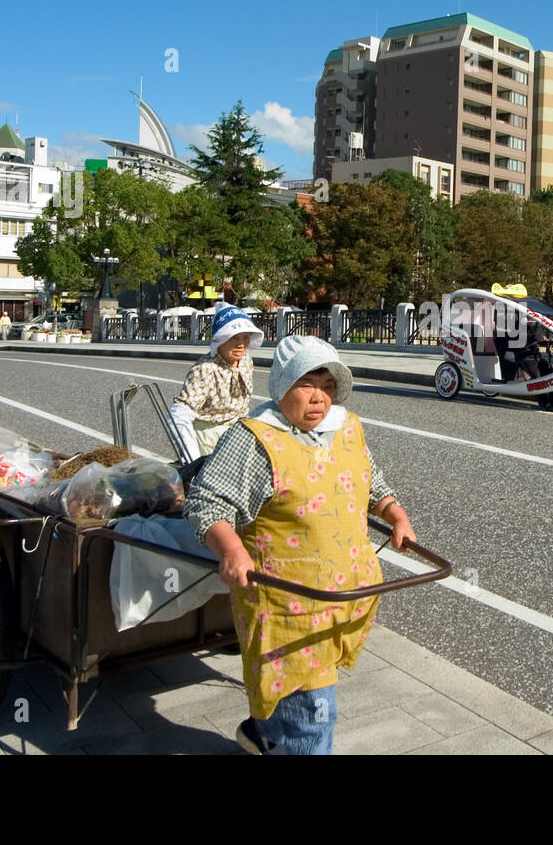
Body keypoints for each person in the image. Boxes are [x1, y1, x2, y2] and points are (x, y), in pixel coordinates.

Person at [185, 335, 416, 755]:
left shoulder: (347, 427)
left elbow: (369, 479)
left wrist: (394, 513)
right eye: (307, 384)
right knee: (313, 713)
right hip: (286, 605)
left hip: (343, 596)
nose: (320, 398)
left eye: (328, 386)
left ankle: (267, 732)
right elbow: (207, 501)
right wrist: (231, 548)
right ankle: (281, 737)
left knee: (304, 705)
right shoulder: (255, 439)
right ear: (282, 386)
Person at [169, 302, 264, 462]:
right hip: (210, 437)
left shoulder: (246, 360)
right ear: (220, 339)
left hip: (239, 430)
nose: (241, 344)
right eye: (234, 337)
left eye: (245, 337)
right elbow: (179, 414)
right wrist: (192, 460)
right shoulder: (205, 369)